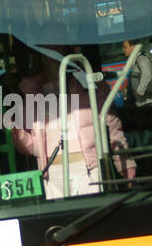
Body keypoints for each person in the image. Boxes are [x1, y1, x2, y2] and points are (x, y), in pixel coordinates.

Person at [11, 47, 135, 197]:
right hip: (53, 175)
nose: (52, 52)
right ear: (41, 53)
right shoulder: (33, 92)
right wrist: (18, 132)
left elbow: (111, 126)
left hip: (89, 169)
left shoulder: (89, 83)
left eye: (56, 45)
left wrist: (124, 163)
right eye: (47, 46)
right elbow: (31, 147)